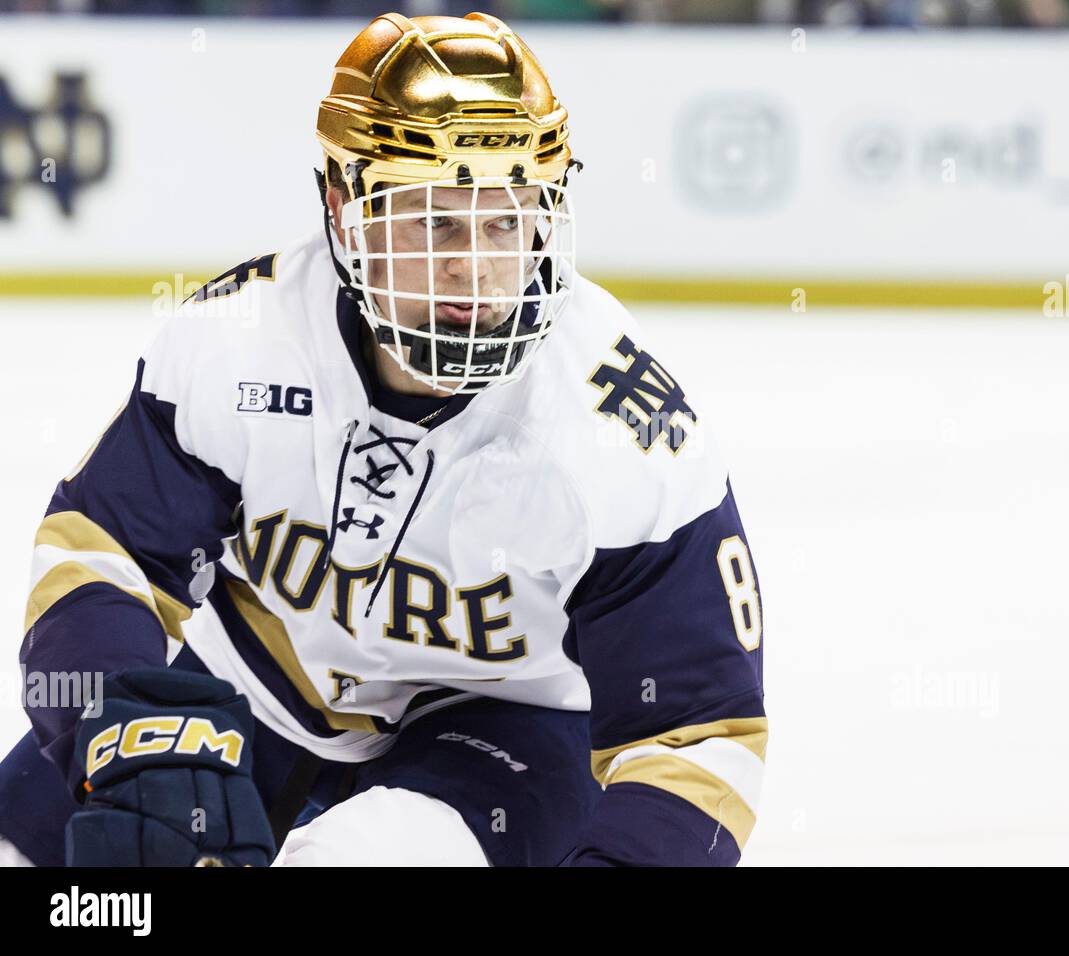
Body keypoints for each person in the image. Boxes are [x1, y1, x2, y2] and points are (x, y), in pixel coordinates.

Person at [0, 11, 766, 867]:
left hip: (503, 735)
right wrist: (122, 725)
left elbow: (700, 736)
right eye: (434, 222)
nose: (474, 266)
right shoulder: (239, 339)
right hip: (254, 684)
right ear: (342, 205)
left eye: (507, 221)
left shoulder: (625, 433)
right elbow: (101, 553)